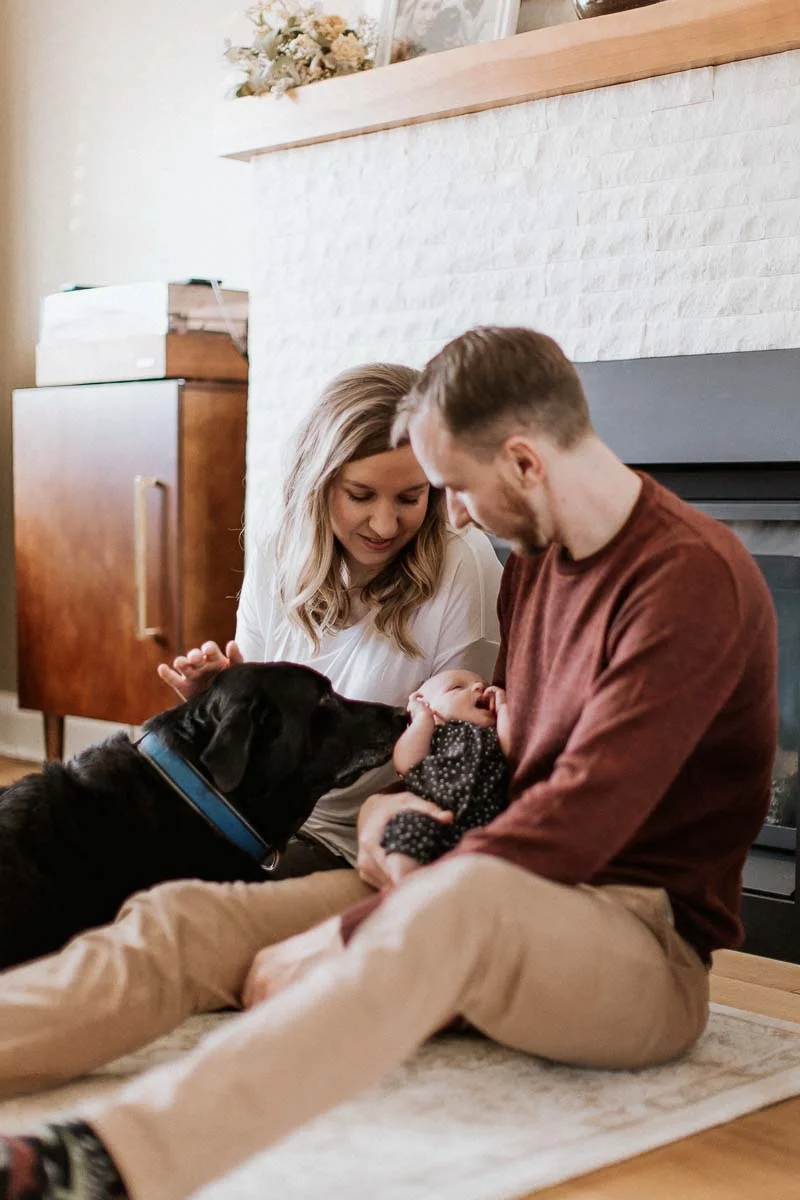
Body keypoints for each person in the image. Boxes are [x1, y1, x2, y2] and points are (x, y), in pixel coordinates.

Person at [0, 327, 778, 1200]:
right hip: (483, 888)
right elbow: (496, 761)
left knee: (463, 904)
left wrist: (345, 933)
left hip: (637, 943)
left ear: (522, 462)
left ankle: (99, 1165)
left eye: (450, 489)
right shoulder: (539, 566)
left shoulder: (689, 581)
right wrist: (390, 811)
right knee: (186, 919)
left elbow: (581, 818)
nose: (449, 519)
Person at [379, 668, 510, 880]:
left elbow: (514, 751)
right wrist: (421, 717)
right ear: (429, 707)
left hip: (487, 821)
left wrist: (503, 708)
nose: (479, 688)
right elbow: (406, 763)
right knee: (406, 830)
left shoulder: (494, 735)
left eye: (484, 687)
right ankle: (404, 885)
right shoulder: (433, 735)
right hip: (434, 813)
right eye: (457, 687)